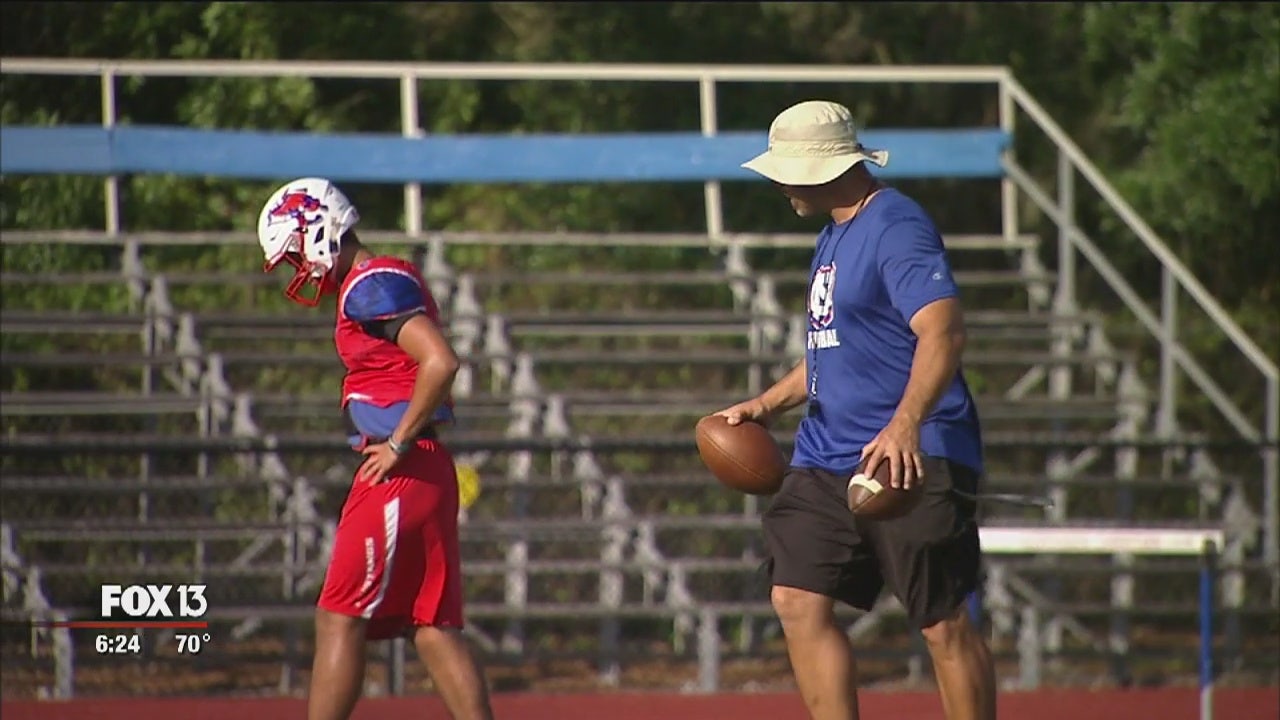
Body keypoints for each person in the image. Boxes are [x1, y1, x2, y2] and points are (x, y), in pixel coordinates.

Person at [716, 101, 996, 720]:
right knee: (795, 598)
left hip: (906, 454)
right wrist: (767, 403)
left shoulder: (896, 225)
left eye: (787, 167)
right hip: (824, 456)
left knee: (942, 623)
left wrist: (905, 424)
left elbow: (943, 332)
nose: (778, 181)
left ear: (825, 168)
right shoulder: (832, 234)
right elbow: (829, 349)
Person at [256, 177, 495, 720]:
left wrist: (396, 443)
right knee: (433, 627)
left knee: (339, 616)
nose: (299, 268)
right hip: (426, 468)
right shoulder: (379, 279)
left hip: (401, 470)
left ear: (318, 228)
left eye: (296, 253)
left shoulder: (369, 285)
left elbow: (440, 362)